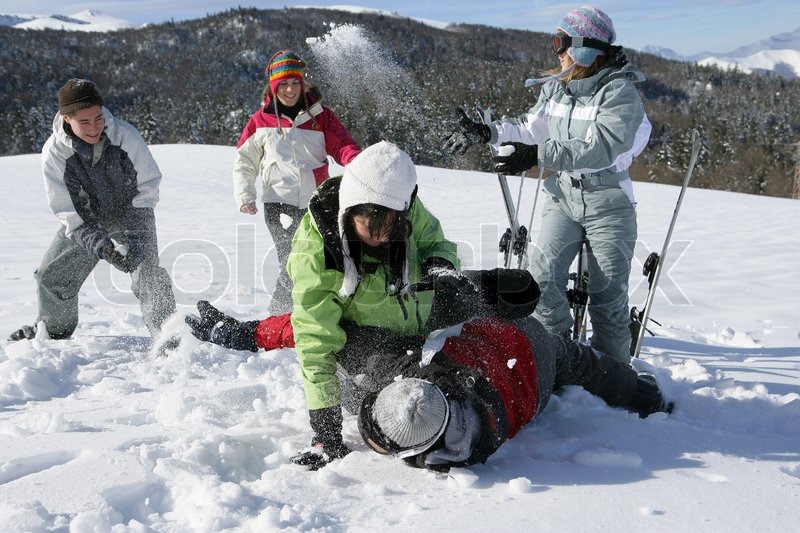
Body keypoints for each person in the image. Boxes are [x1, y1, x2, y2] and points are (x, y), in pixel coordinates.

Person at [443, 5, 652, 364]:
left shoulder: (620, 93)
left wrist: (538, 154)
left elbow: (601, 147)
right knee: (541, 279)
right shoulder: (557, 88)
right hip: (564, 196)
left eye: (561, 41)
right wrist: (488, 132)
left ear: (586, 45)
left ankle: (614, 377)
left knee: (607, 297)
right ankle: (559, 355)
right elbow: (529, 128)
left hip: (609, 202)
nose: (557, 51)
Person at [357, 313, 673, 471]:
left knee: (578, 361)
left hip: (525, 363)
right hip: (523, 348)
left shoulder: (443, 443)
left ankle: (643, 394)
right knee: (574, 358)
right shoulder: (433, 388)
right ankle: (647, 395)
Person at [7, 79, 176, 343]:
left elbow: (148, 185)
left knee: (147, 272)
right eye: (84, 122)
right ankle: (52, 333)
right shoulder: (55, 153)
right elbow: (68, 213)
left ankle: (168, 334)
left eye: (98, 118)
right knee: (51, 277)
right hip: (86, 220)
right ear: (67, 119)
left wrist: (134, 235)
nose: (95, 127)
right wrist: (103, 248)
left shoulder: (124, 136)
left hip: (131, 214)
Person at [233, 50, 362, 315]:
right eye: (283, 84)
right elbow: (244, 161)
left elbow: (344, 146)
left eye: (295, 83)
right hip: (278, 202)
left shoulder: (320, 116)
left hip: (316, 202)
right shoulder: (260, 121)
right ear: (273, 86)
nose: (290, 90)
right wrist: (245, 195)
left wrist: (358, 164)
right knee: (292, 260)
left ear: (302, 84)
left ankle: (316, 308)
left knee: (322, 257)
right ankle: (281, 314)